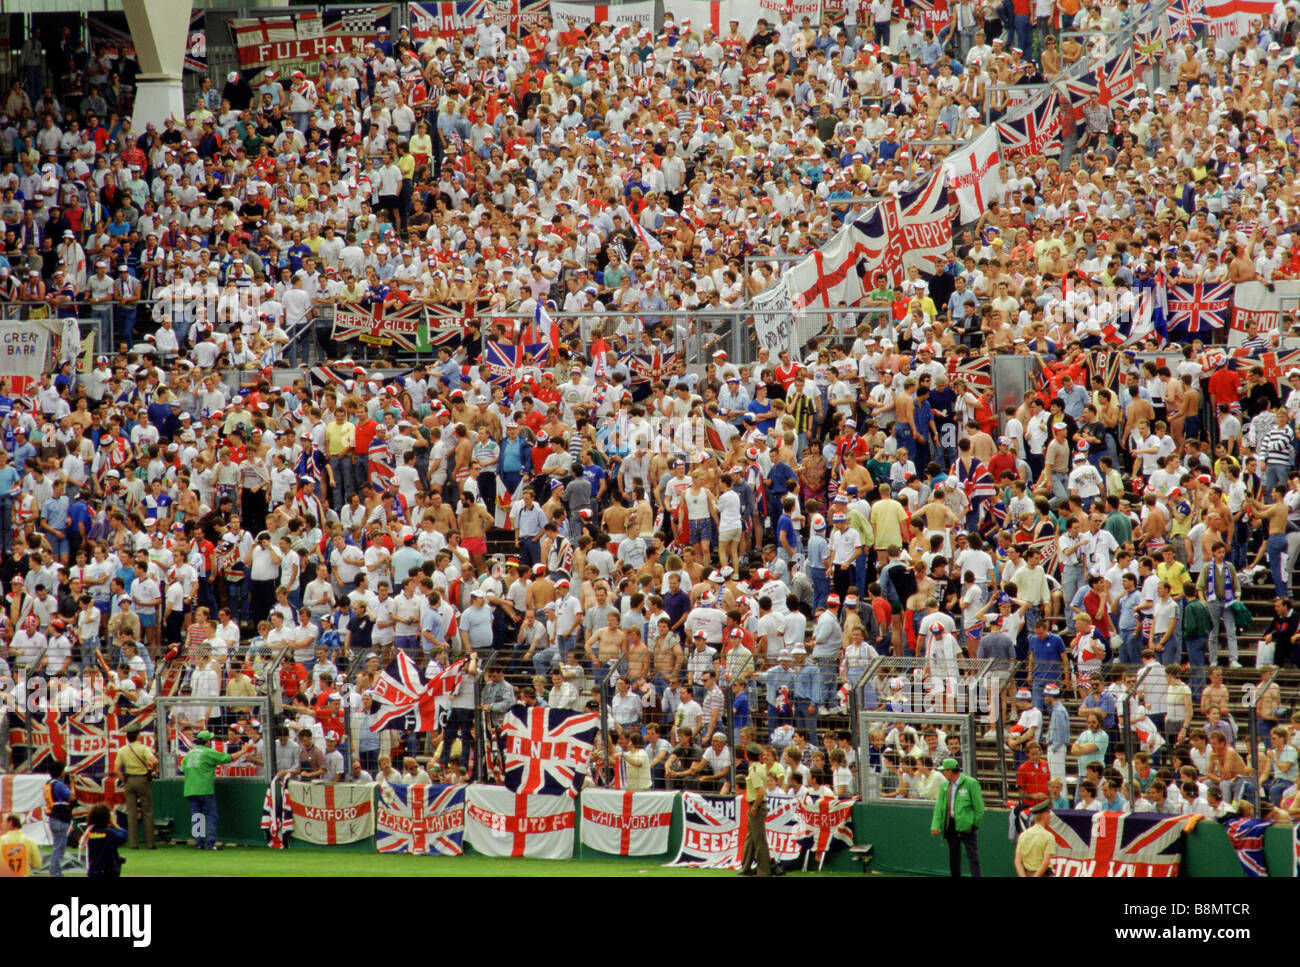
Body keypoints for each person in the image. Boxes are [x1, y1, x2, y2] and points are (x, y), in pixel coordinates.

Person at [182, 728, 251, 850]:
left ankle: (198, 843)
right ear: (207, 741)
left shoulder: (190, 753)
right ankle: (210, 844)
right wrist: (242, 751)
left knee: (196, 816)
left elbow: (183, 768)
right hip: (205, 789)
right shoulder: (208, 752)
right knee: (210, 816)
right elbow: (227, 758)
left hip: (190, 789)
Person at [930, 756, 984, 877]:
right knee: (953, 855)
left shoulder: (971, 783)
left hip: (966, 824)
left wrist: (974, 824)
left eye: (945, 770)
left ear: (950, 770)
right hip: (951, 824)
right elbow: (939, 808)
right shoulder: (945, 786)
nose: (943, 773)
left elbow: (979, 806)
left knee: (972, 855)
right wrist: (935, 825)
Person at [114, 718, 159, 849]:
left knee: (132, 814)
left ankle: (134, 843)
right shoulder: (143, 748)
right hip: (143, 780)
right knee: (147, 812)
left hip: (129, 780)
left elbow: (116, 769)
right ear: (138, 735)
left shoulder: (122, 750)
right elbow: (154, 761)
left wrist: (125, 780)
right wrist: (154, 770)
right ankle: (150, 843)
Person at [739, 741, 778, 877]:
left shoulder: (754, 770)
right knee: (751, 838)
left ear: (746, 755)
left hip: (756, 805)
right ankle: (746, 867)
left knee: (759, 839)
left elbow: (760, 792)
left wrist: (754, 807)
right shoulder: (761, 768)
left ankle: (763, 871)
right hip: (757, 805)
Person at [43, 760, 75, 876]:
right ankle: (55, 872)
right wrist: (72, 785)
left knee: (57, 846)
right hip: (60, 818)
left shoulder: (49, 783)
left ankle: (55, 871)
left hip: (53, 817)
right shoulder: (59, 784)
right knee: (59, 848)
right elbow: (71, 797)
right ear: (61, 772)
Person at [81, 803, 128, 878]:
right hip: (108, 871)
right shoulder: (109, 833)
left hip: (93, 870)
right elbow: (124, 836)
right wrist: (114, 824)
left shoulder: (90, 831)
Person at [1014, 799, 1057, 877]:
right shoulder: (1048, 836)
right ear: (1043, 815)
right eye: (1048, 813)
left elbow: (1018, 862)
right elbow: (1045, 862)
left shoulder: (1023, 835)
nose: (1050, 816)